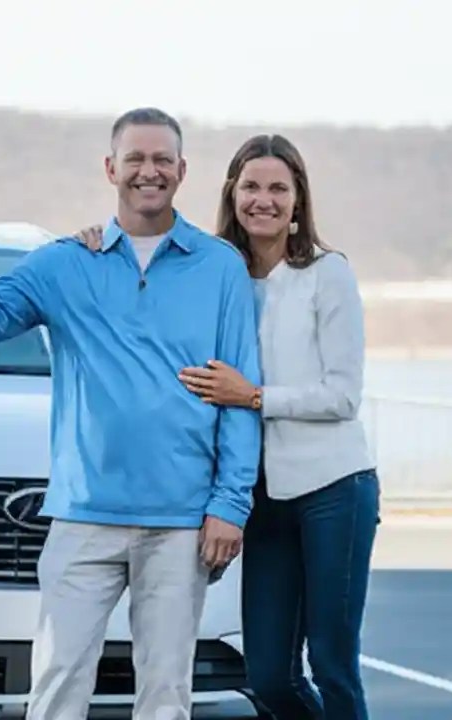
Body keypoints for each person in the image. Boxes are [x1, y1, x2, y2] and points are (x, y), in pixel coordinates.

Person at [0, 107, 263, 720]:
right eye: (135, 158)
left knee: (166, 696)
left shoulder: (221, 269)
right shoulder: (64, 263)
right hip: (84, 516)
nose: (148, 171)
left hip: (182, 522)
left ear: (182, 171)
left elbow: (241, 394)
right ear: (111, 168)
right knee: (57, 689)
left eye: (162, 159)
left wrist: (229, 503)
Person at [69, 133, 380, 719]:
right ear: (232, 194)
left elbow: (343, 396)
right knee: (268, 676)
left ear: (298, 201)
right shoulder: (214, 270)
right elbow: (140, 271)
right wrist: (93, 246)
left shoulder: (326, 275)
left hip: (334, 491)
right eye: (251, 186)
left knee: (334, 665)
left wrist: (254, 396)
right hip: (261, 497)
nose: (263, 200)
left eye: (278, 189)